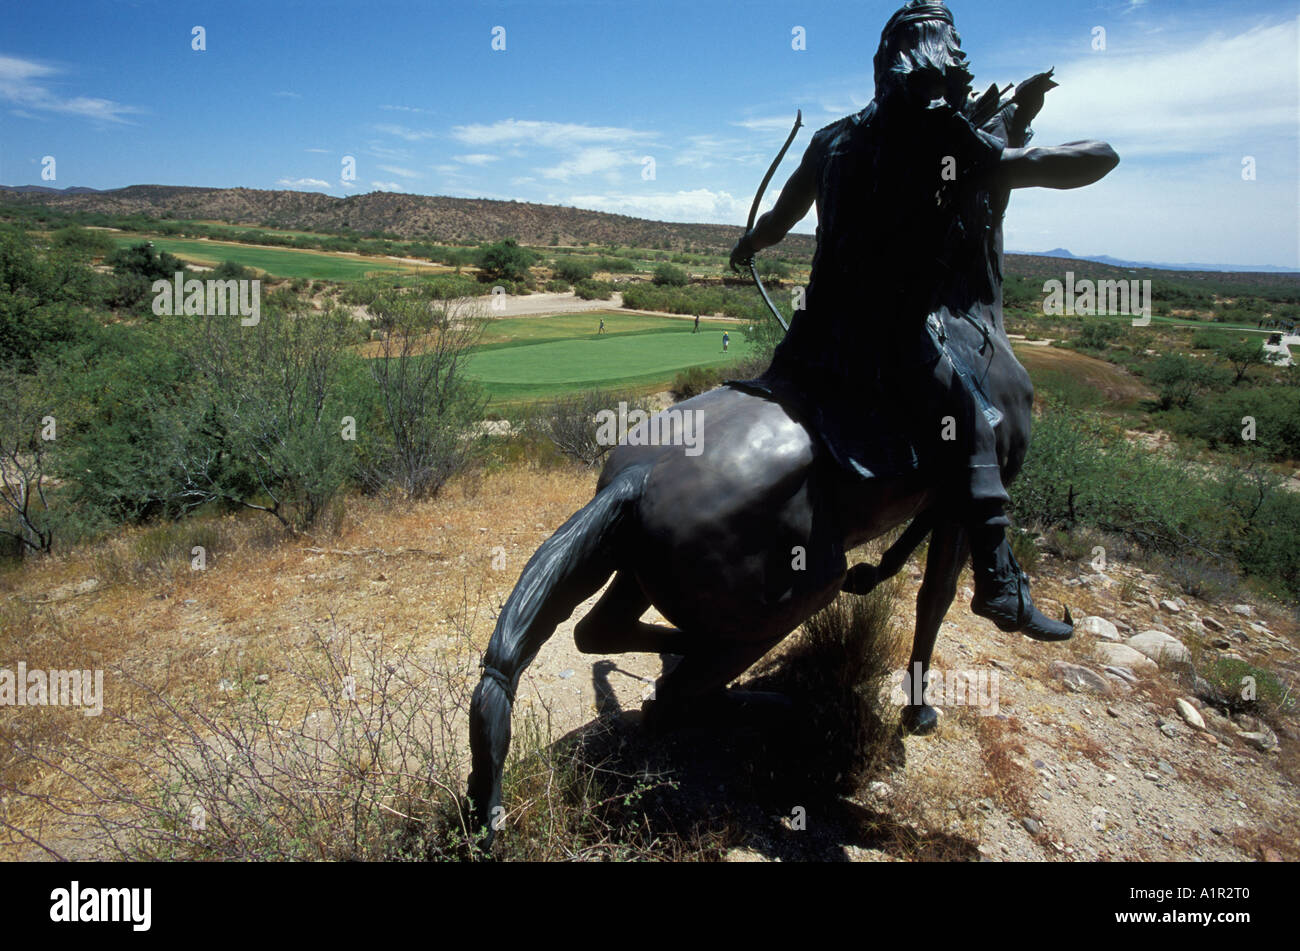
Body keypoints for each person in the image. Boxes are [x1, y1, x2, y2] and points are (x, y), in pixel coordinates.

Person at [728, 0, 1118, 640]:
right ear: (941, 57)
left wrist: (750, 245)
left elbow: (779, 220)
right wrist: (1085, 149)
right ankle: (997, 579)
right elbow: (1068, 163)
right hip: (893, 344)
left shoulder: (832, 139)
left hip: (813, 341)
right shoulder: (945, 137)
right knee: (975, 422)